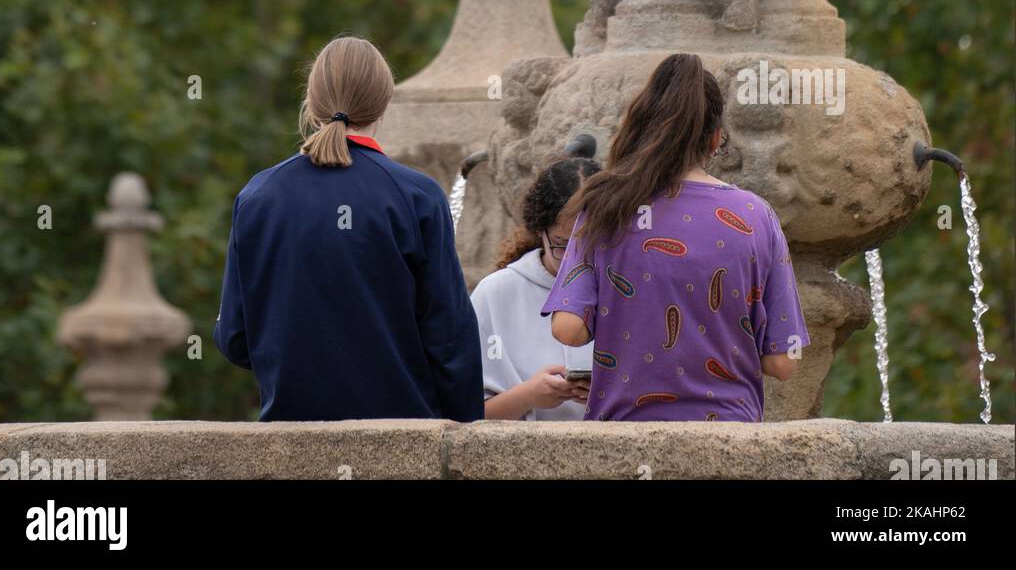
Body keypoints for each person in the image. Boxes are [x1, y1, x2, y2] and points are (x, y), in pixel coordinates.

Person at [214, 35, 483, 422]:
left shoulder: (259, 196)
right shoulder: (417, 196)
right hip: (402, 439)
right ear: (385, 101)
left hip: (289, 438)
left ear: (311, 98)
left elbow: (235, 338)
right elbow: (450, 340)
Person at [542, 53, 809, 421]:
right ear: (716, 139)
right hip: (732, 441)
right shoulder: (755, 216)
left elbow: (569, 329)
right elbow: (782, 361)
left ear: (639, 127)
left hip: (625, 436)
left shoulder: (607, 206)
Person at [471, 158, 599, 420]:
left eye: (594, 243)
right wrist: (528, 396)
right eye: (563, 246)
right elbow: (465, 416)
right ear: (540, 230)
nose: (578, 260)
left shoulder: (630, 288)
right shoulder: (495, 294)